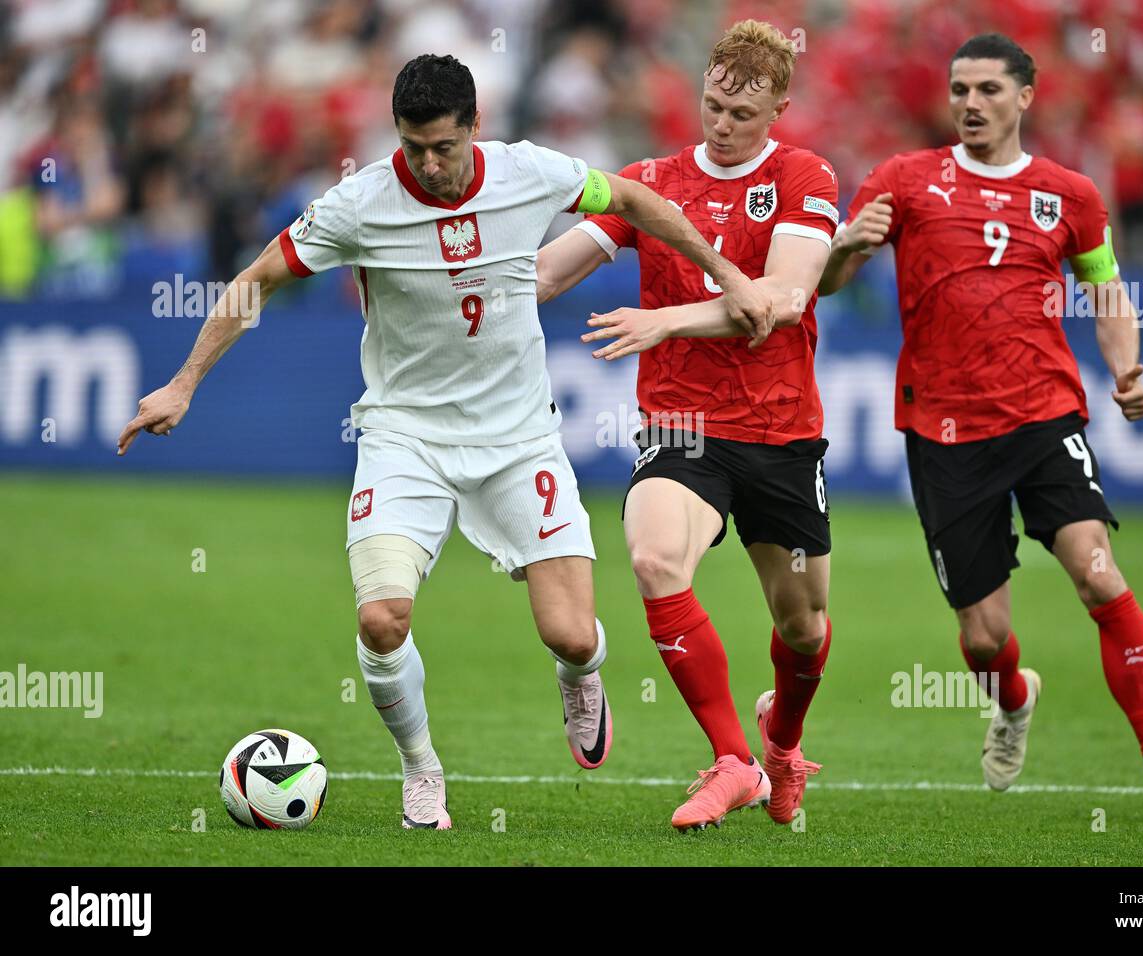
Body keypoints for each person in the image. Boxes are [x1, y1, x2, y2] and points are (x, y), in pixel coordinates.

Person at [117, 53, 769, 830]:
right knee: (381, 618)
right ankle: (421, 768)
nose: (429, 164)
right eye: (413, 146)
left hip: (519, 438)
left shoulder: (530, 173)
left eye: (444, 148)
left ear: (475, 130)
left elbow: (630, 196)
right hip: (405, 438)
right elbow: (258, 276)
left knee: (569, 631)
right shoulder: (359, 204)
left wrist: (727, 271)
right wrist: (184, 382)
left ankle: (581, 675)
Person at [819, 33, 1143, 817]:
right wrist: (843, 246)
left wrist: (1124, 369)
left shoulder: (1071, 194)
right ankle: (1010, 699)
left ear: (1026, 97)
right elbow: (829, 286)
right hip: (942, 431)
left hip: (1043, 413)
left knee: (1097, 570)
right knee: (981, 638)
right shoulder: (904, 179)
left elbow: (1105, 293)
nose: (971, 103)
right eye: (961, 89)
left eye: (989, 90)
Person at [536, 20, 837, 831]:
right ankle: (733, 761)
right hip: (683, 431)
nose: (723, 124)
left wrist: (666, 321)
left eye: (742, 113)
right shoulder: (651, 180)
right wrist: (444, 280)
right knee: (653, 555)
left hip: (780, 431)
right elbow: (545, 275)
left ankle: (782, 744)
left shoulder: (805, 176)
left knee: (803, 629)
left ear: (779, 105)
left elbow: (783, 299)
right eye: (711, 106)